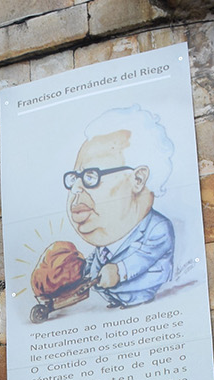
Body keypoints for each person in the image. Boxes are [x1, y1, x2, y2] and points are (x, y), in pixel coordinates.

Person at [67, 106, 177, 308]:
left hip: (142, 301)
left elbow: (143, 258)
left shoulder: (158, 229)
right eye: (74, 179)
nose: (76, 189)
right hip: (113, 307)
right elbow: (95, 260)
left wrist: (119, 271)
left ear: (138, 179)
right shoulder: (108, 239)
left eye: (91, 176)